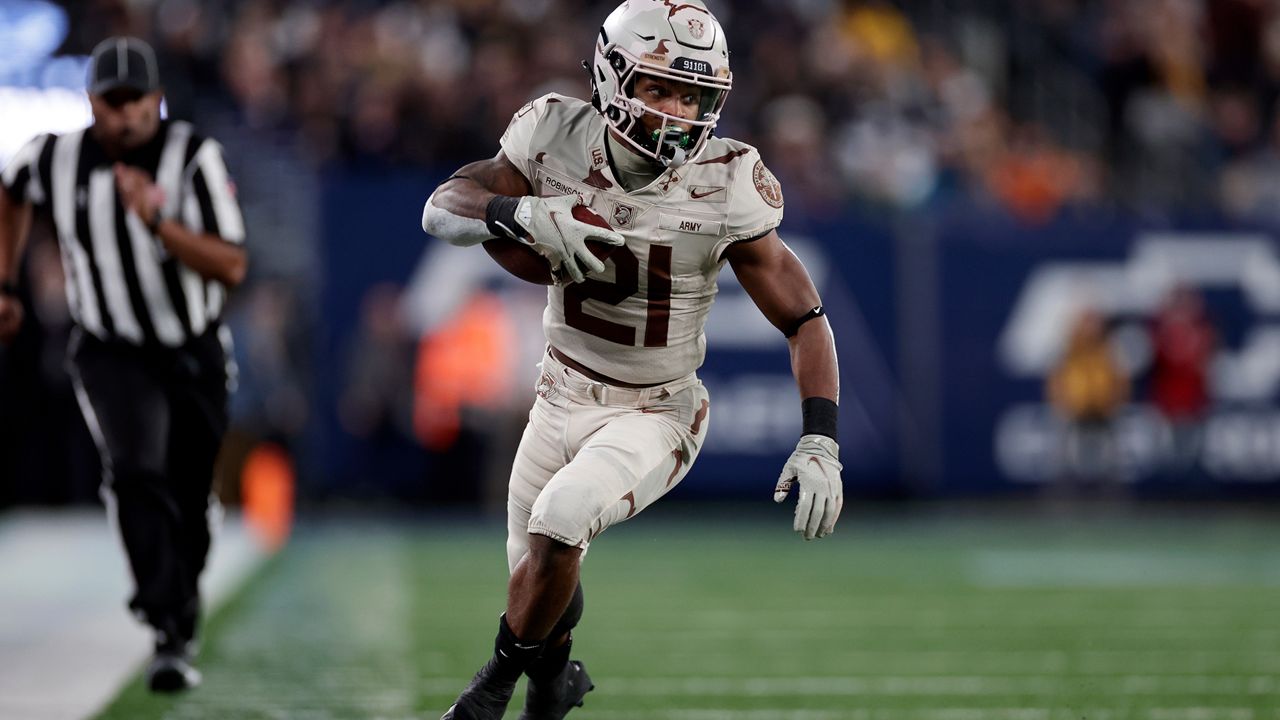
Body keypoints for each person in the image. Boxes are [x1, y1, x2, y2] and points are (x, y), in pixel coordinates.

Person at [419, 2, 843, 718]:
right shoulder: (553, 132)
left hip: (655, 410)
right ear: (614, 78)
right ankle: (554, 687)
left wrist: (820, 437)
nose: (679, 113)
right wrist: (516, 213)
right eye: (660, 89)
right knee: (542, 573)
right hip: (556, 395)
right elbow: (443, 206)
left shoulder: (726, 181)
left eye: (694, 95)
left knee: (561, 523)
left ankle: (489, 690)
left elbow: (804, 316)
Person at [0, 37, 247, 692]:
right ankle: (167, 624)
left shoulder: (192, 157)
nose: (125, 115)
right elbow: (11, 187)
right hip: (109, 347)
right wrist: (5, 281)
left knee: (188, 494)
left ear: (156, 100)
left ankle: (177, 603)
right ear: (92, 104)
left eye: (135, 101)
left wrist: (159, 222)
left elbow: (231, 264)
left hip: (190, 344)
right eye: (112, 102)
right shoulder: (56, 156)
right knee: (136, 469)